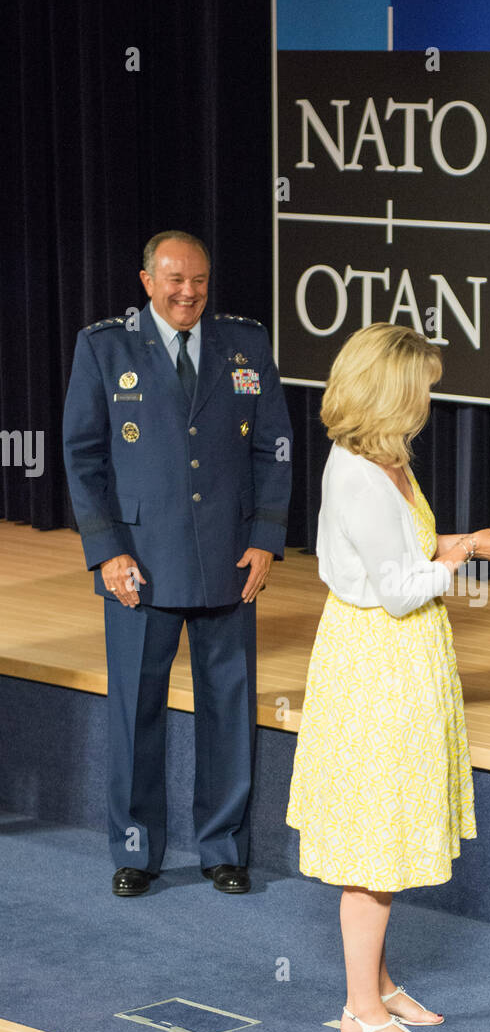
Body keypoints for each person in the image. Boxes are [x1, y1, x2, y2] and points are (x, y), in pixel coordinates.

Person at [287, 322, 490, 1032]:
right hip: (376, 657)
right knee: (374, 839)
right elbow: (394, 593)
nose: (429, 395)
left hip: (403, 652)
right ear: (391, 389)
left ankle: (380, 984)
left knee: (385, 825)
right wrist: (466, 560)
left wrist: (459, 543)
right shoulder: (356, 473)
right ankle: (359, 1016)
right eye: (422, 382)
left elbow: (405, 554)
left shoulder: (387, 460)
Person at [62, 230, 293, 897]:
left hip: (229, 559)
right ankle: (136, 849)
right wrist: (106, 551)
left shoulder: (245, 343)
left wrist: (265, 536)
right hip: (138, 565)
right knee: (136, 712)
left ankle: (224, 847)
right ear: (146, 281)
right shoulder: (103, 347)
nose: (187, 292)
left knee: (229, 707)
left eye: (197, 280)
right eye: (173, 280)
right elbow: (83, 457)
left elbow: (273, 445)